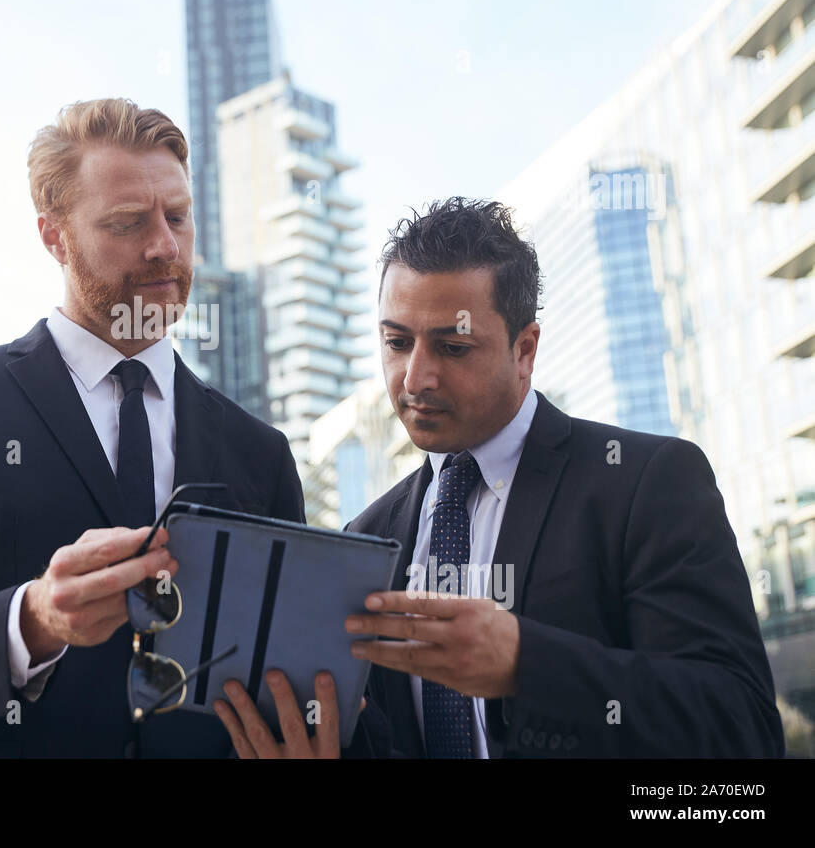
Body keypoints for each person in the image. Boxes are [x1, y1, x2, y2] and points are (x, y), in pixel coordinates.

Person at [0, 97, 322, 757]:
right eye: (127, 223)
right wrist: (30, 621)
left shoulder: (259, 452)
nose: (164, 246)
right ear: (53, 236)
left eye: (178, 217)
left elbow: (284, 665)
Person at [216, 197, 784, 758]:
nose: (415, 378)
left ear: (525, 349)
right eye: (396, 342)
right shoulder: (366, 534)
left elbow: (741, 725)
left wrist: (524, 663)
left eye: (452, 346)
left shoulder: (644, 483)